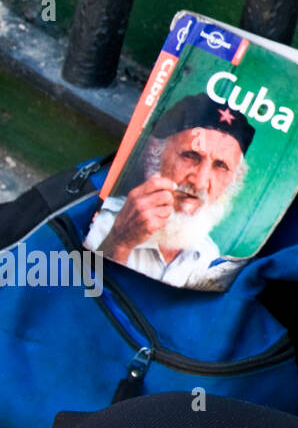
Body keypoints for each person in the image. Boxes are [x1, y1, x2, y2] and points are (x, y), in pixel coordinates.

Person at [85, 93, 255, 290]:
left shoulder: (209, 256)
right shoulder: (101, 221)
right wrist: (119, 243)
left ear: (233, 179)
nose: (199, 183)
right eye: (190, 156)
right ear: (154, 155)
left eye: (220, 166)